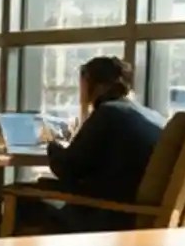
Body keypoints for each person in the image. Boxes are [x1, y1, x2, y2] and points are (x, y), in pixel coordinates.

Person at [35, 56, 166, 233]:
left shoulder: (108, 113)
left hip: (108, 215)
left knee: (23, 202)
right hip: (139, 213)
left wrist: (50, 143)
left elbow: (68, 169)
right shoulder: (152, 116)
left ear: (91, 83)